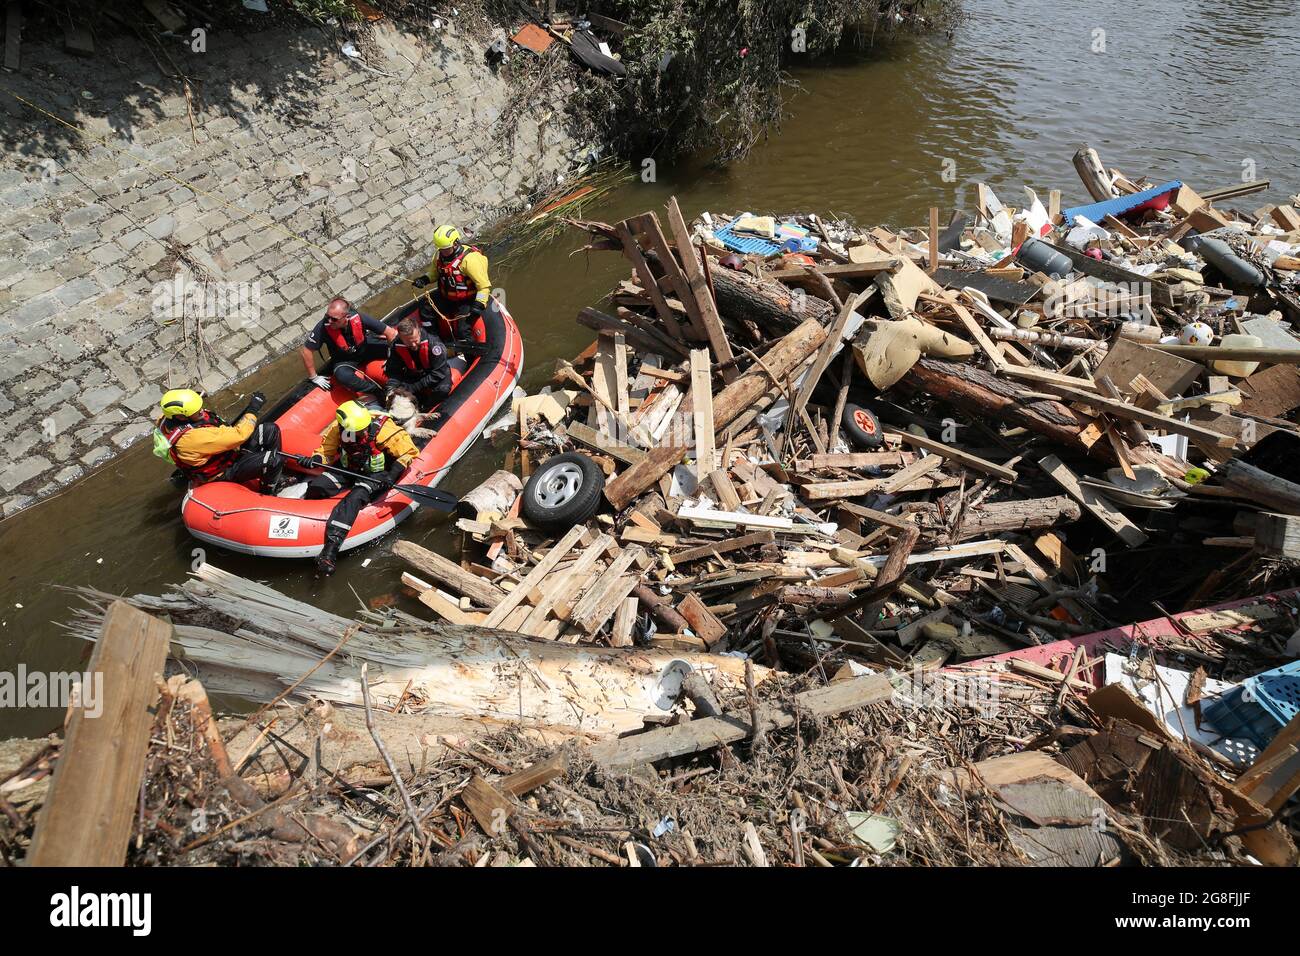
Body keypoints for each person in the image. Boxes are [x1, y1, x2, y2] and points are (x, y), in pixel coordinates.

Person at [296, 400, 417, 575]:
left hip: (377, 473)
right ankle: (307, 527)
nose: (363, 432)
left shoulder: (383, 429)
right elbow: (325, 452)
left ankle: (330, 551)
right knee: (318, 487)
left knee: (356, 497)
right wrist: (314, 460)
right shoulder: (339, 429)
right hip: (349, 467)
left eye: (363, 429)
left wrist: (392, 475)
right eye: (358, 431)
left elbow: (409, 452)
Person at [154, 388, 284, 490]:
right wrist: (253, 409)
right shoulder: (193, 438)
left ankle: (274, 471)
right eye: (195, 411)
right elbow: (240, 434)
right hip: (223, 472)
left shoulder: (166, 418)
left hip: (226, 454)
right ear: (181, 417)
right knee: (274, 460)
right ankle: (270, 489)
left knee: (270, 429)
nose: (201, 411)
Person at [300, 297, 396, 397]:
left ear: (346, 316)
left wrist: (392, 357)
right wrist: (314, 377)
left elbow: (390, 333)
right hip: (344, 360)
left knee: (399, 346)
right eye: (327, 316)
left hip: (366, 348)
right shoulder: (323, 327)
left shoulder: (359, 318)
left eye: (334, 319)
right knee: (343, 376)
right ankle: (378, 391)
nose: (329, 321)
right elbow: (306, 350)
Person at [412, 224, 492, 339]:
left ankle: (470, 353)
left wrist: (478, 305)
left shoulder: (470, 260)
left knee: (462, 330)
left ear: (455, 244)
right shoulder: (439, 256)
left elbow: (484, 286)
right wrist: (424, 279)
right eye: (441, 249)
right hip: (447, 297)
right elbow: (434, 273)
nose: (443, 252)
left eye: (445, 249)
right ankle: (433, 339)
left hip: (467, 301)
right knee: (425, 311)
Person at [382, 317, 466, 412]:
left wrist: (414, 387)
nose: (413, 345)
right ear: (401, 338)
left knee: (443, 389)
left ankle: (426, 407)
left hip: (434, 374)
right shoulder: (396, 346)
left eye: (415, 341)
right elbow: (394, 370)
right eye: (409, 342)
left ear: (419, 331)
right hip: (413, 374)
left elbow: (438, 372)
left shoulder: (434, 344)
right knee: (397, 396)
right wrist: (391, 387)